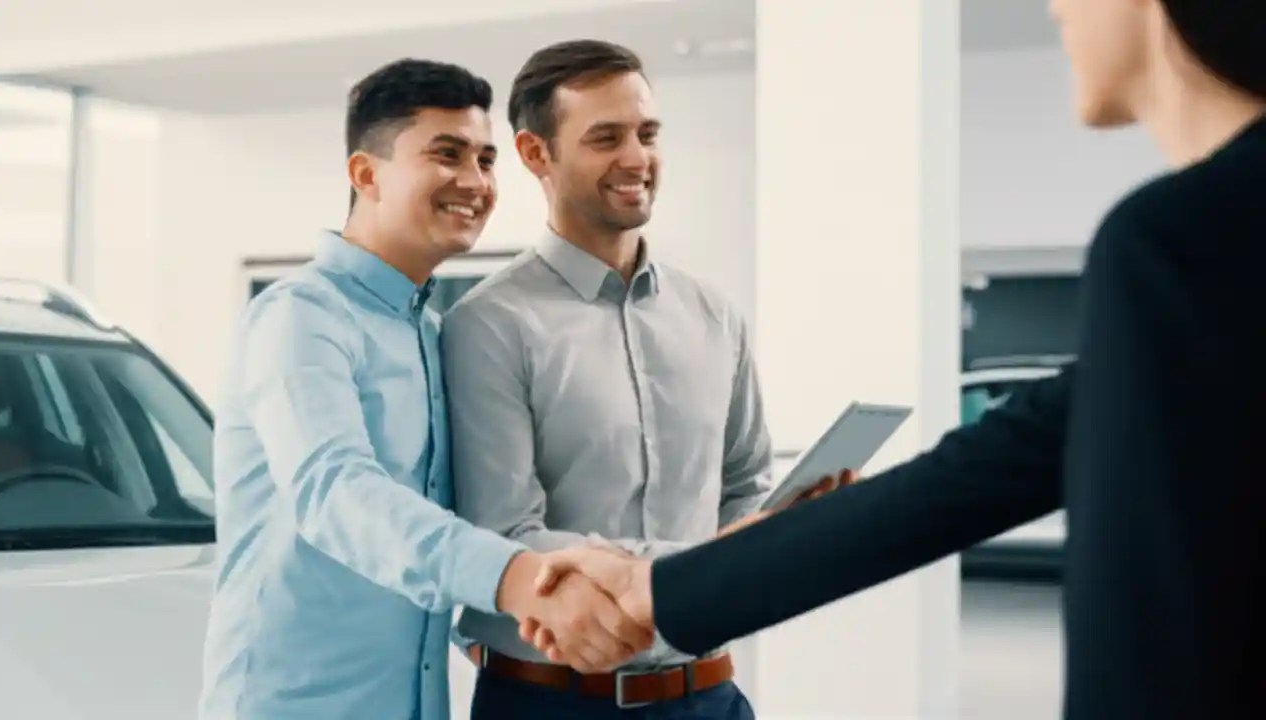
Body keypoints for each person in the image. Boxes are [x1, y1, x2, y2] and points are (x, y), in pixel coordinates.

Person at [528, 0, 1266, 717]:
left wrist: (643, 590)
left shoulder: (1180, 240)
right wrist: (656, 589)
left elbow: (1170, 621)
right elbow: (980, 476)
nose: (1056, 11)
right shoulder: (1205, 242)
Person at [197, 58, 651, 720]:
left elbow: (451, 528)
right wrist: (520, 580)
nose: (475, 181)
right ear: (365, 174)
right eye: (447, 154)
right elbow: (336, 492)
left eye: (487, 159)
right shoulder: (300, 317)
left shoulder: (436, 333)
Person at [439, 39, 835, 719]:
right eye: (606, 138)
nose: (637, 159)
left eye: (648, 134)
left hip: (709, 695)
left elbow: (743, 483)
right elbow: (505, 530)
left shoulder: (713, 315)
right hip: (552, 703)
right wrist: (699, 568)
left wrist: (779, 530)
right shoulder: (488, 324)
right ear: (537, 155)